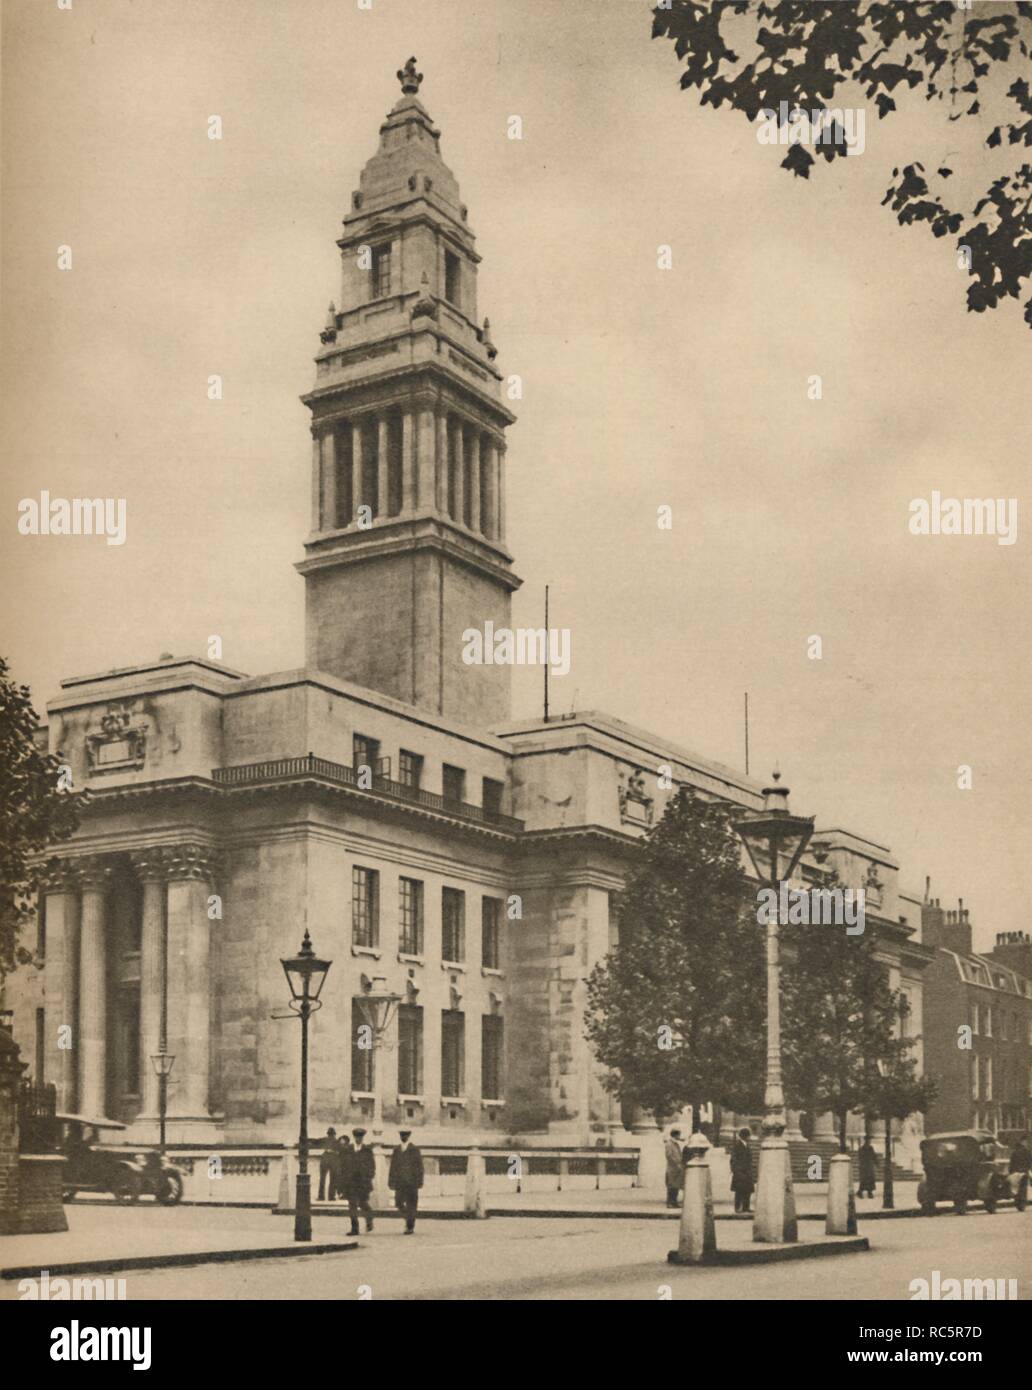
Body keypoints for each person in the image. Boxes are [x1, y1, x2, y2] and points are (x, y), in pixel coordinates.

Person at [388, 1128, 424, 1234]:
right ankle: (408, 1218)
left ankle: (410, 1226)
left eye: (405, 1136)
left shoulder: (415, 1150)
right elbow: (393, 1167)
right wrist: (391, 1181)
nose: (403, 1137)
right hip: (400, 1183)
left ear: (408, 1137)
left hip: (412, 1183)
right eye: (402, 1136)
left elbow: (419, 1167)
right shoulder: (396, 1150)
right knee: (398, 1203)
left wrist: (419, 1181)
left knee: (411, 1204)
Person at [343, 1127, 375, 1234]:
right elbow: (343, 1166)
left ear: (363, 1138)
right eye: (357, 1137)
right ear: (354, 1137)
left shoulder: (367, 1151)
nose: (358, 1139)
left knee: (363, 1203)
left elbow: (372, 1167)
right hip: (351, 1183)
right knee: (352, 1205)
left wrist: (368, 1178)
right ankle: (354, 1228)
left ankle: (369, 1218)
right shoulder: (348, 1150)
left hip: (363, 1183)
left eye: (360, 1137)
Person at [730, 1127, 755, 1214]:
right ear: (745, 1136)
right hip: (740, 1172)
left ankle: (746, 1207)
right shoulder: (737, 1145)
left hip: (747, 1172)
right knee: (739, 1191)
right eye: (748, 1136)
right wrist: (736, 1171)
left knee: (747, 1191)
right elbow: (733, 1159)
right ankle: (737, 1208)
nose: (749, 1137)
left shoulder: (746, 1145)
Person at [664, 1128, 684, 1209]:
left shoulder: (675, 1143)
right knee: (671, 1186)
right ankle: (670, 1203)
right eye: (679, 1134)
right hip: (672, 1168)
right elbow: (669, 1156)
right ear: (676, 1135)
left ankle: (674, 1202)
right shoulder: (669, 1144)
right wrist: (676, 1164)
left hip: (677, 1168)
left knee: (676, 1186)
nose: (680, 1136)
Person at [318, 1127, 338, 1202]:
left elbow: (314, 1142)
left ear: (328, 1134)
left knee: (322, 1179)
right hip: (333, 1161)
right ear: (334, 1134)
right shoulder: (336, 1141)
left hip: (324, 1160)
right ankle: (331, 1196)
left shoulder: (324, 1140)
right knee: (333, 1179)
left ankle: (321, 1196)